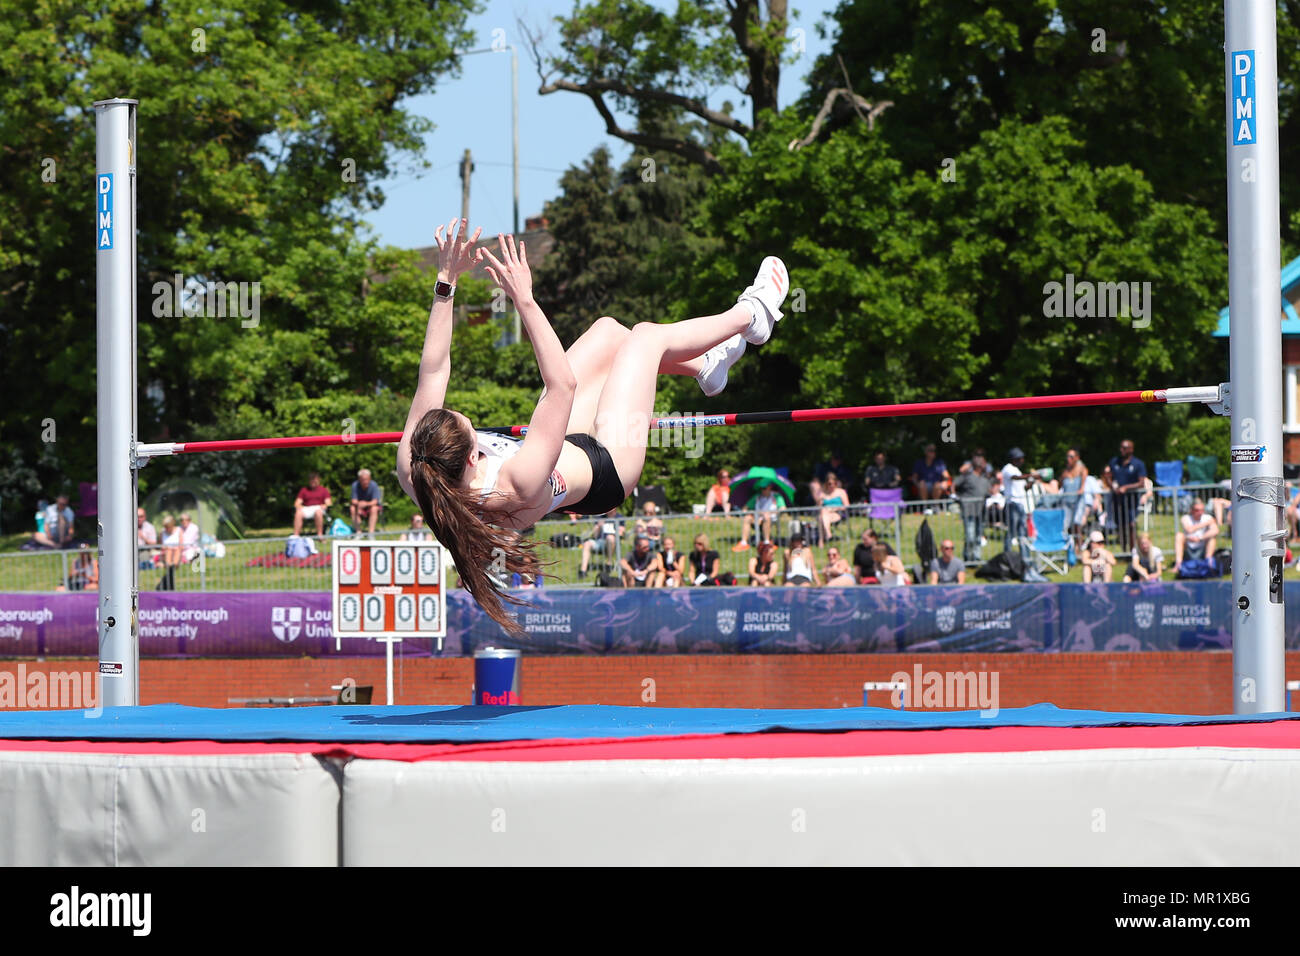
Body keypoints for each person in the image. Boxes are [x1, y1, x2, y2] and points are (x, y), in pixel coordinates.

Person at [396, 218, 790, 633]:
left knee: (608, 332)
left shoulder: (414, 462)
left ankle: (708, 366)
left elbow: (434, 372)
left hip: (567, 445)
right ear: (474, 456)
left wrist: (445, 283)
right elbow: (561, 385)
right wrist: (524, 300)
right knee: (646, 339)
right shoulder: (514, 482)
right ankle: (752, 315)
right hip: (609, 469)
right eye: (469, 425)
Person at [953, 452, 994, 563]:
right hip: (969, 511)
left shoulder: (985, 479)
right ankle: (967, 557)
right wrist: (955, 496)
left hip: (981, 512)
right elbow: (954, 484)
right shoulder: (967, 477)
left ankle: (976, 558)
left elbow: (989, 490)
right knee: (970, 536)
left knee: (977, 537)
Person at [1108, 439, 1147, 553]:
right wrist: (1113, 487)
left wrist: (1126, 488)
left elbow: (1141, 482)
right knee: (1120, 525)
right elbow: (1108, 476)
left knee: (1130, 524)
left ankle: (1132, 551)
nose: (1121, 450)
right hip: (1117, 499)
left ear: (1131, 449)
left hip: (1131, 500)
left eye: (1124, 448)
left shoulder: (1138, 464)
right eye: (1121, 447)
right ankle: (1124, 550)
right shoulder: (1114, 461)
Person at [1001, 448, 1035, 562]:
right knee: (1012, 531)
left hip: (1020, 504)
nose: (1022, 460)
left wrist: (1031, 481)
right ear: (1014, 459)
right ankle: (1007, 555)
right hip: (1012, 504)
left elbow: (1024, 488)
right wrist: (1029, 475)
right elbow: (1014, 478)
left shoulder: (1018, 471)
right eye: (1020, 458)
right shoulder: (1008, 469)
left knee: (1022, 531)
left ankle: (1025, 556)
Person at [1174, 498, 1219, 574]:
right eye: (1197, 510)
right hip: (1189, 547)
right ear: (1191, 510)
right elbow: (1189, 530)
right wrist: (1205, 524)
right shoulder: (1186, 518)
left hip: (1202, 547)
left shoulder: (1208, 517)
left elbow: (1215, 531)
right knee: (1179, 535)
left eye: (1202, 510)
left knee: (1212, 538)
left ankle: (1208, 561)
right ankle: (1178, 564)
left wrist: (1200, 538)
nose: (1200, 512)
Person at [734, 484, 783, 552]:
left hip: (771, 518)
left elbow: (783, 508)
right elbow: (745, 508)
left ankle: (767, 542)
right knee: (747, 518)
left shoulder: (777, 496)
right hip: (757, 517)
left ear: (770, 487)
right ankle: (743, 543)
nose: (762, 490)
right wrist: (753, 513)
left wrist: (770, 513)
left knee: (766, 517)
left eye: (764, 488)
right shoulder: (757, 497)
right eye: (761, 488)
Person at [578, 508, 624, 580]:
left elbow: (621, 533)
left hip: (613, 542)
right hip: (600, 541)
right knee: (587, 544)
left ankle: (608, 563)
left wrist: (615, 532)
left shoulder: (619, 518)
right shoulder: (601, 517)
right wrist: (598, 526)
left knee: (610, 538)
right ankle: (583, 571)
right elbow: (595, 536)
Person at [350, 469, 383, 537]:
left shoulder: (374, 485)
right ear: (359, 479)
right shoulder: (355, 485)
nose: (365, 481)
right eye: (363, 480)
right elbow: (353, 500)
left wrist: (366, 504)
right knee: (352, 508)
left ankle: (371, 533)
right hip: (359, 507)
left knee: (374, 508)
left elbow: (375, 501)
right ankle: (358, 532)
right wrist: (359, 505)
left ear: (370, 478)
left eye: (367, 479)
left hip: (371, 507)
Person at [817, 473, 848, 543]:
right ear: (826, 484)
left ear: (836, 483)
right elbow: (818, 507)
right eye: (829, 484)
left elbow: (846, 506)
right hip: (825, 514)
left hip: (837, 513)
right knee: (822, 515)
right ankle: (827, 533)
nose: (831, 485)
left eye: (833, 483)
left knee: (821, 517)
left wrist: (834, 508)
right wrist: (819, 500)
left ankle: (821, 539)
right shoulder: (823, 493)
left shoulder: (841, 492)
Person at [158, 515, 183, 590]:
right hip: (166, 552)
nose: (167, 529)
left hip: (177, 551)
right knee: (169, 550)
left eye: (168, 527)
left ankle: (173, 565)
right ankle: (170, 566)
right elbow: (161, 546)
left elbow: (181, 545)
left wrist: (174, 548)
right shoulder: (162, 532)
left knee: (176, 550)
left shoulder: (179, 530)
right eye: (165, 527)